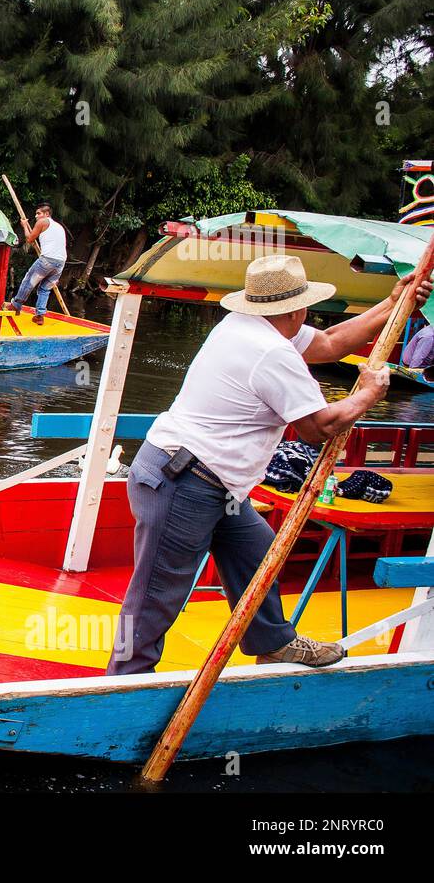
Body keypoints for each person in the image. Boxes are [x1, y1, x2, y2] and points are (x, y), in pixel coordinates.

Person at [109, 255, 431, 675]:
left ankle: (272, 642)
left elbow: (332, 343)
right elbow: (319, 426)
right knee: (155, 596)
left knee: (255, 549)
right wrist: (368, 393)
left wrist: (393, 303)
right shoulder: (270, 351)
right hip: (184, 479)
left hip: (208, 480)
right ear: (297, 309)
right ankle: (128, 680)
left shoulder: (248, 326)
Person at [8, 201, 67, 325]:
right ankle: (40, 315)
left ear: (46, 214)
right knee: (45, 289)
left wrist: (25, 225)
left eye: (38, 213)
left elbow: (29, 239)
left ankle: (16, 305)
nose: (36, 216)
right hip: (60, 262)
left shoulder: (43, 221)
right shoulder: (58, 226)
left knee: (28, 281)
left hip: (48, 260)